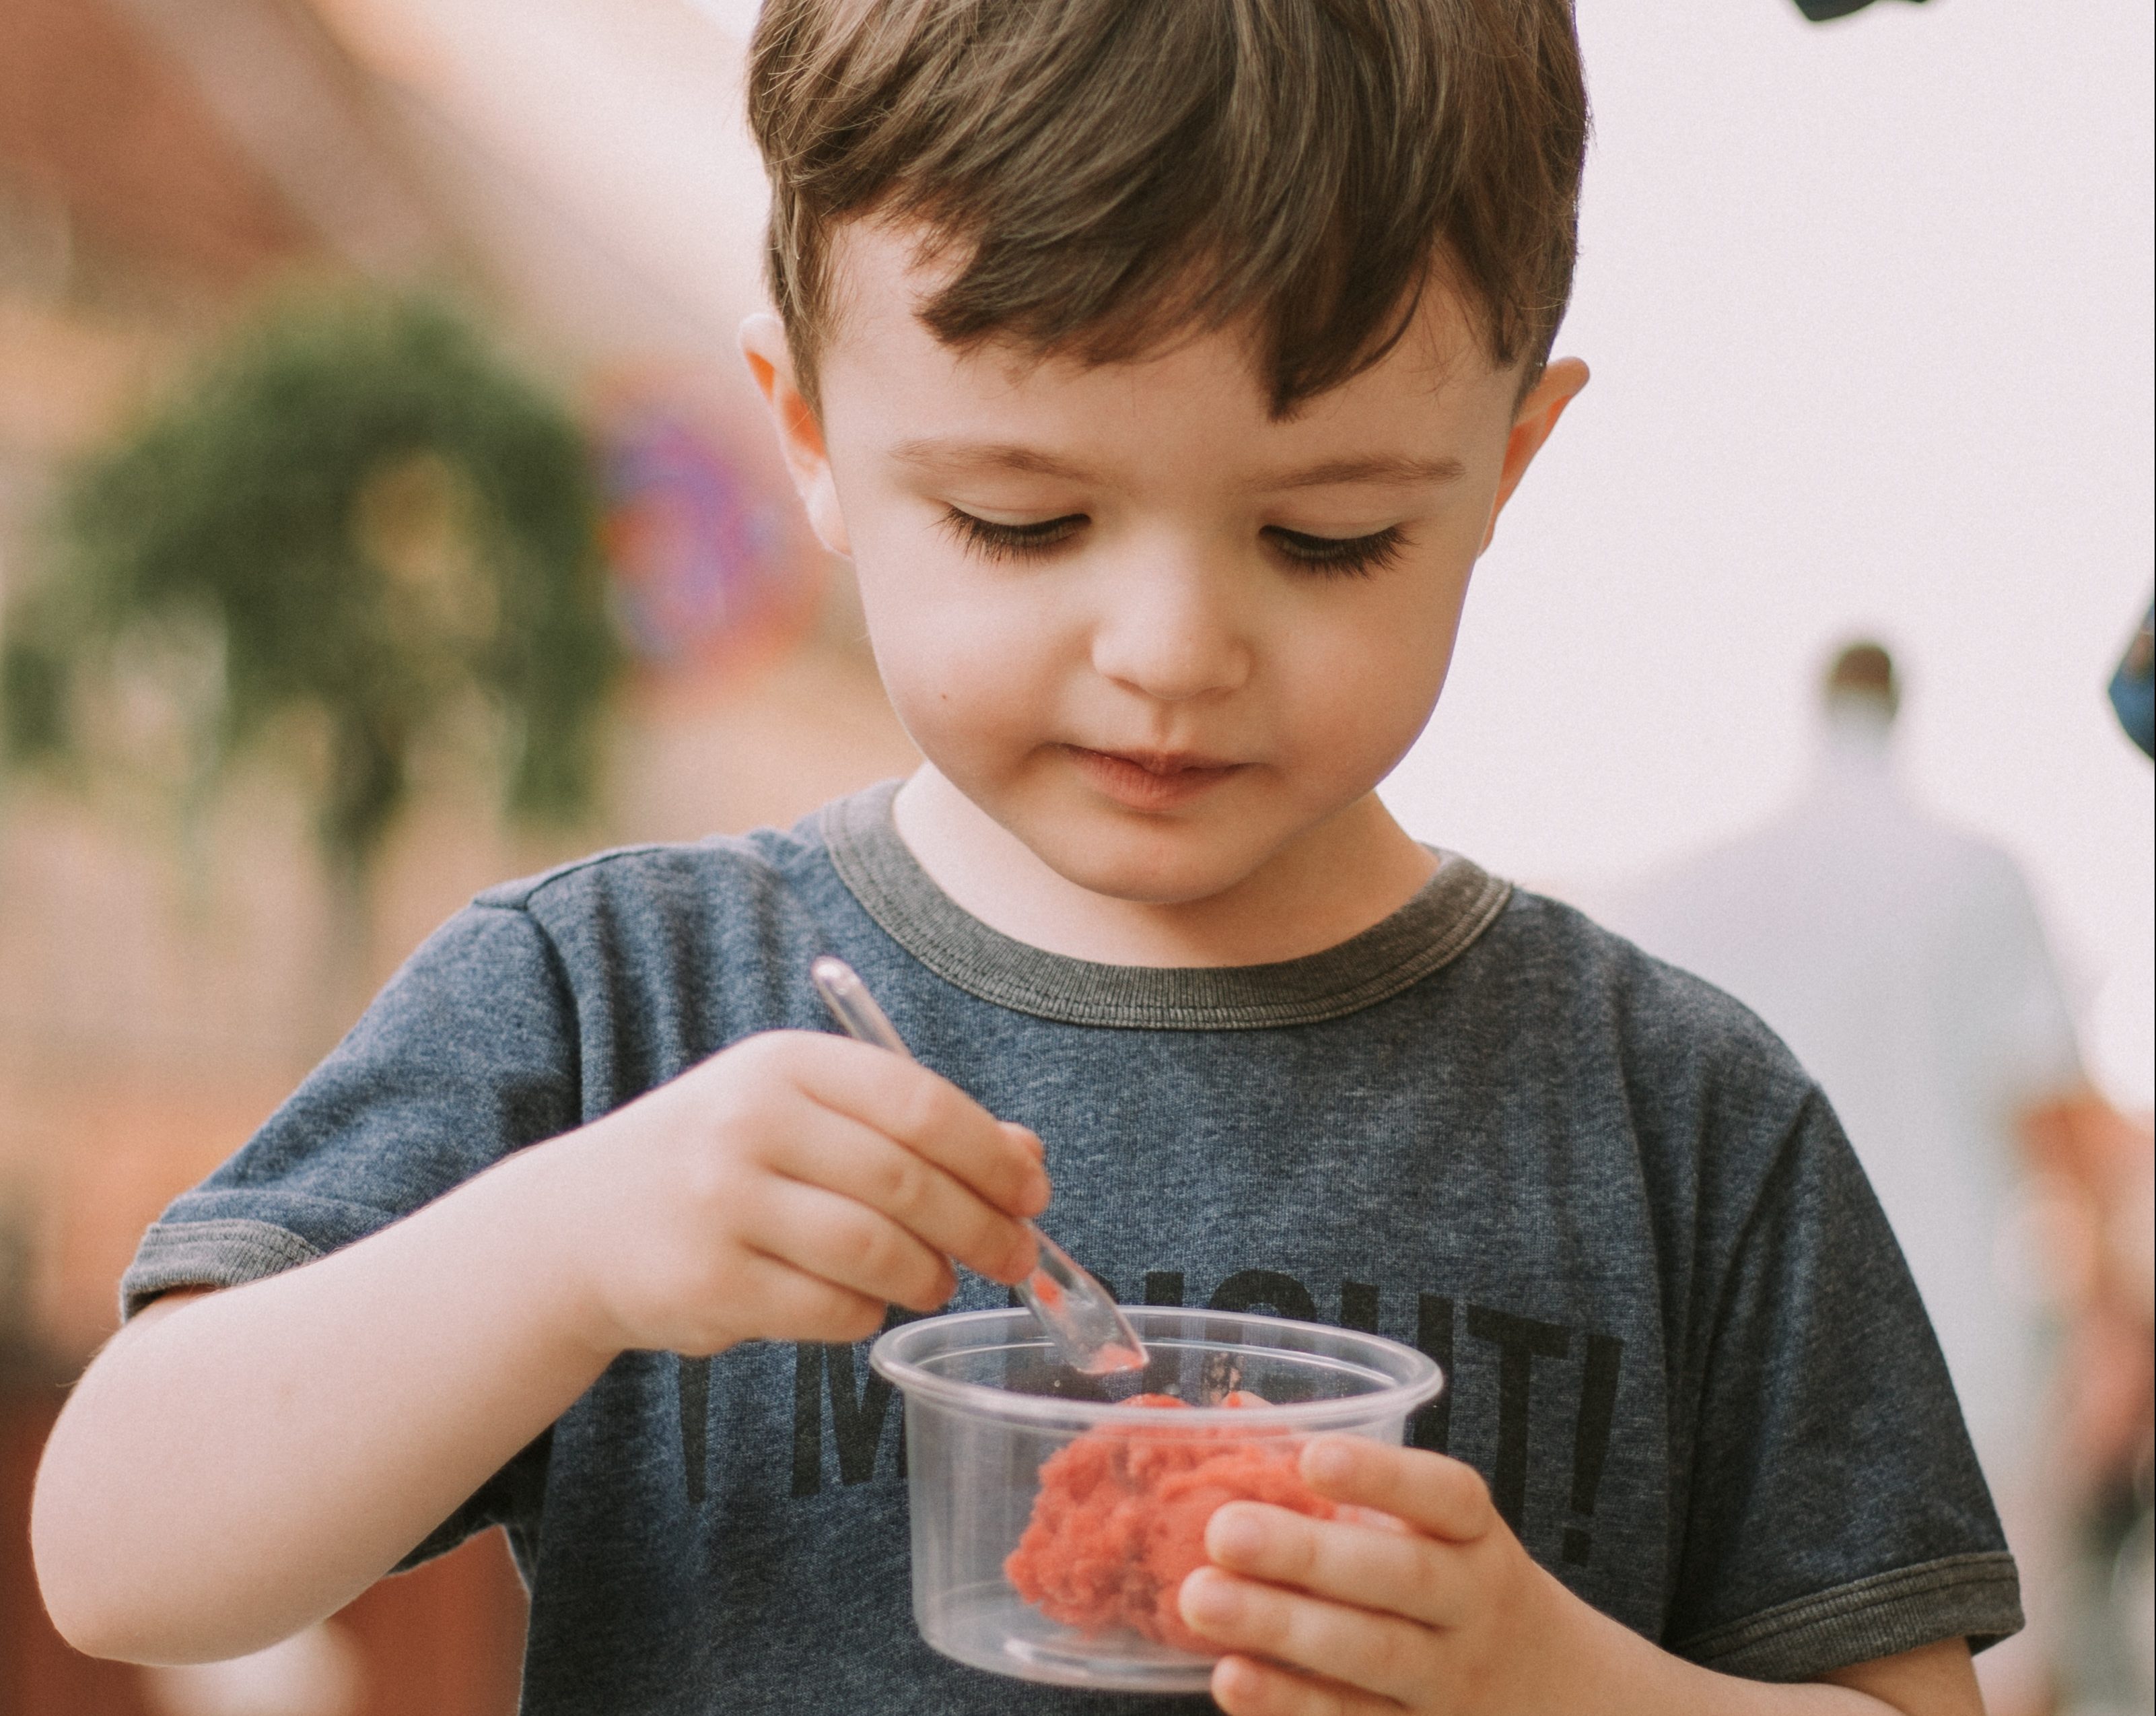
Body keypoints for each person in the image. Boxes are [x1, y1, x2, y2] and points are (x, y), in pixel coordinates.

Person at [31, 5, 2015, 1713]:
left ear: (1503, 463)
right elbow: (121, 1545)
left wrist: (1541, 1670)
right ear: (803, 427)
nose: (1168, 650)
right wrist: (563, 1248)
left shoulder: (1676, 1112)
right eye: (1017, 516)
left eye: (1324, 535)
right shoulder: (617, 1006)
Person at [1600, 642, 2086, 1714]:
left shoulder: (1691, 891)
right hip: (1963, 1345)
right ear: (1900, 710)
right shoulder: (1973, 875)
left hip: (1735, 1358)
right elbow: (2057, 1130)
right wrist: (2114, 1333)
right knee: (2003, 1678)